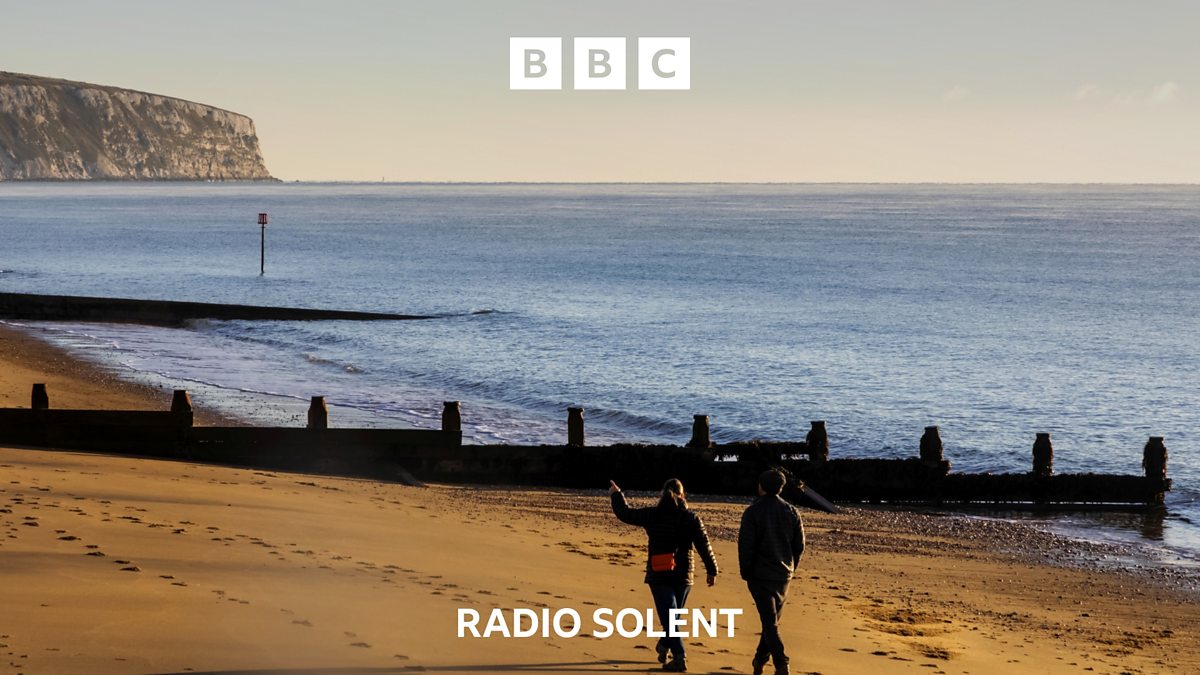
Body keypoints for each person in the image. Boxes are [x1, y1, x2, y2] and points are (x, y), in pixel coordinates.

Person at [609, 478, 718, 673]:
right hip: (684, 574)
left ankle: (678, 655)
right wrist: (712, 570)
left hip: (659, 573)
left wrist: (616, 494)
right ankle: (668, 648)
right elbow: (704, 545)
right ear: (683, 495)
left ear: (663, 493)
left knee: (670, 618)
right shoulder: (690, 517)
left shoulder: (653, 514)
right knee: (673, 618)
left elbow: (625, 513)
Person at [738, 469, 805, 675]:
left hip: (760, 575)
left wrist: (746, 571)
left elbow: (746, 545)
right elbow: (799, 546)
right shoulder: (792, 511)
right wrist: (792, 566)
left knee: (770, 623)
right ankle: (759, 660)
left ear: (761, 487)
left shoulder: (753, 512)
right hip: (783, 575)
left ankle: (781, 662)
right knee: (771, 622)